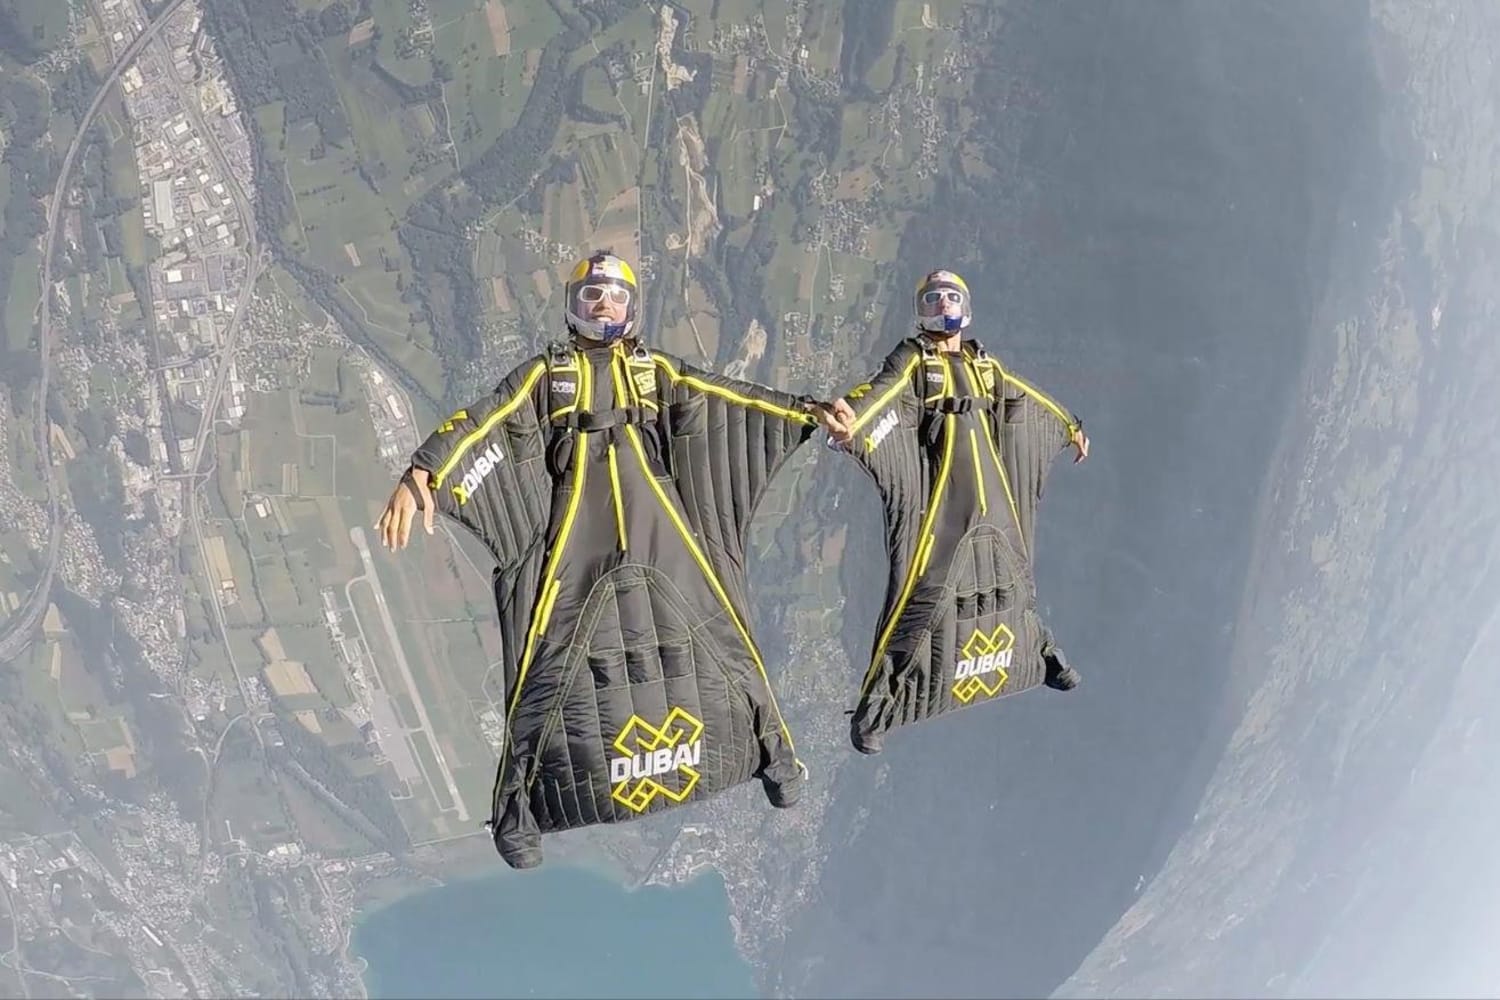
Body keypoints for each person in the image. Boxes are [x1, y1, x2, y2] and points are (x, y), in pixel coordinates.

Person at [376, 251, 846, 868]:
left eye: (616, 296)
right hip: (574, 535)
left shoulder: (656, 374)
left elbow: (728, 399)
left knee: (724, 627)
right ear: (572, 306)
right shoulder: (547, 377)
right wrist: (426, 471)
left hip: (663, 522)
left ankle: (777, 763)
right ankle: (520, 816)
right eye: (592, 295)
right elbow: (490, 417)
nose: (604, 305)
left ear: (634, 307)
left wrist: (811, 412)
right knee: (544, 665)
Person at [824, 268, 1090, 755]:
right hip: (947, 503)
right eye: (931, 300)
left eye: (949, 298)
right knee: (920, 598)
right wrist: (850, 425)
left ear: (965, 307)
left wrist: (1069, 427)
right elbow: (878, 393)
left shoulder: (985, 367)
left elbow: (1026, 398)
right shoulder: (912, 361)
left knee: (1017, 582)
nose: (941, 308)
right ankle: (878, 708)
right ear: (919, 311)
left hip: (995, 498)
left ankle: (1044, 655)